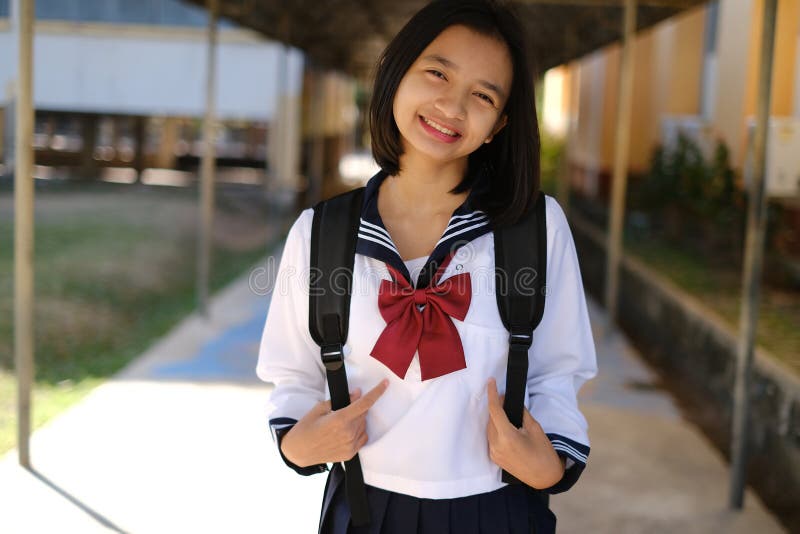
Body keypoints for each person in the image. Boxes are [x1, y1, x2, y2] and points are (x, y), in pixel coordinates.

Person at [256, 0, 597, 532]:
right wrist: (299, 445)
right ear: (397, 72)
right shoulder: (321, 232)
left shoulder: (533, 228)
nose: (452, 106)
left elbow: (559, 370)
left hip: (498, 509)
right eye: (437, 72)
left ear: (498, 125)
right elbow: (293, 374)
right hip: (365, 510)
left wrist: (549, 462)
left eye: (482, 95)